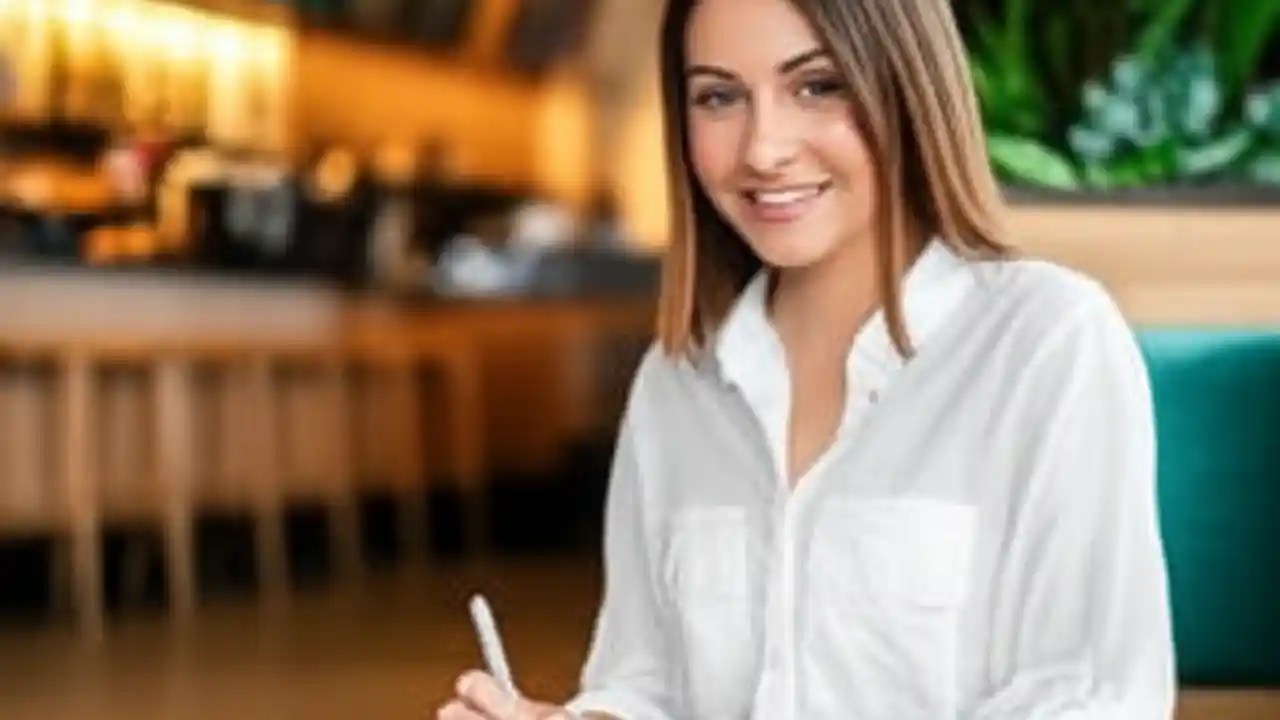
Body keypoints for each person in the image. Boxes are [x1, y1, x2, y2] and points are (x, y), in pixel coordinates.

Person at [437, 0, 1176, 717]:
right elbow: (644, 681)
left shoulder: (1048, 343)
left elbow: (1091, 698)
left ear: (907, 85)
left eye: (817, 86)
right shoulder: (677, 382)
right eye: (719, 97)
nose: (763, 148)